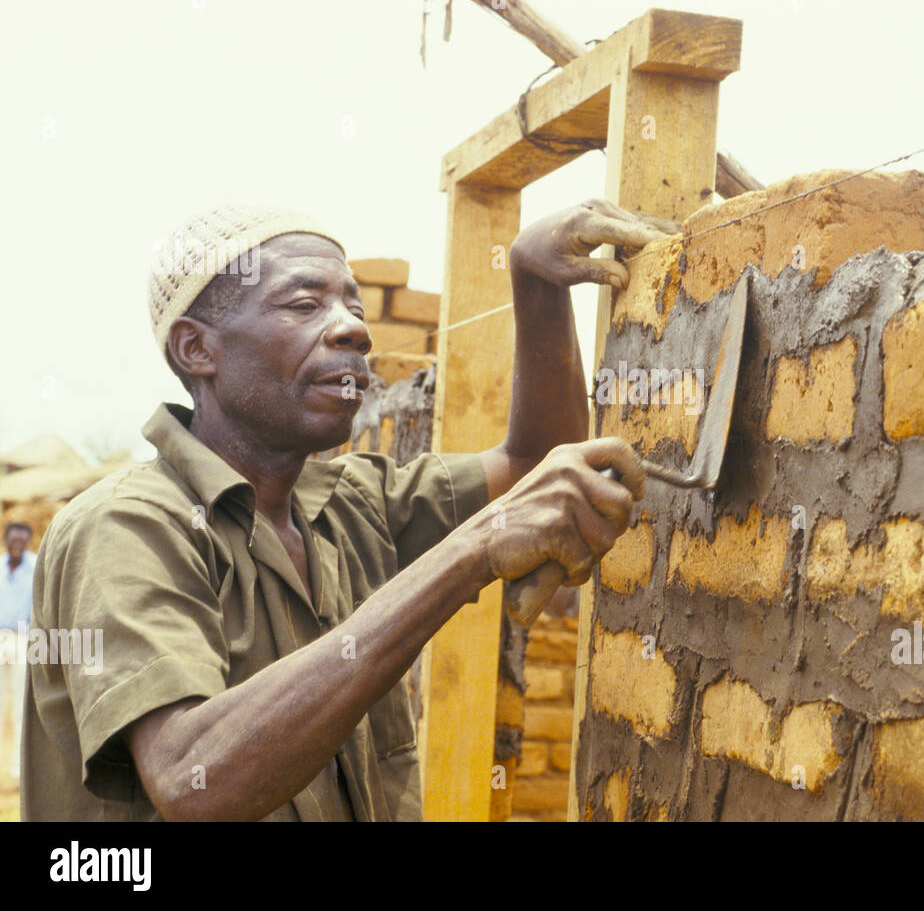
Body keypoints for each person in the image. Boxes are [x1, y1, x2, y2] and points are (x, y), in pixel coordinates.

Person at [22, 199, 674, 820]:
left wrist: (535, 283)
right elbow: (194, 779)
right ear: (198, 349)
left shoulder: (350, 502)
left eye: (353, 304)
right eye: (305, 303)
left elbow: (535, 468)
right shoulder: (126, 529)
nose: (355, 328)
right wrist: (471, 550)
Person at [1, 522, 34, 790]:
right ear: (6, 541)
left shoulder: (35, 567)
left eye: (22, 541)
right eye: (13, 540)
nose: (17, 545)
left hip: (23, 638)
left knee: (21, 705)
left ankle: (17, 770)